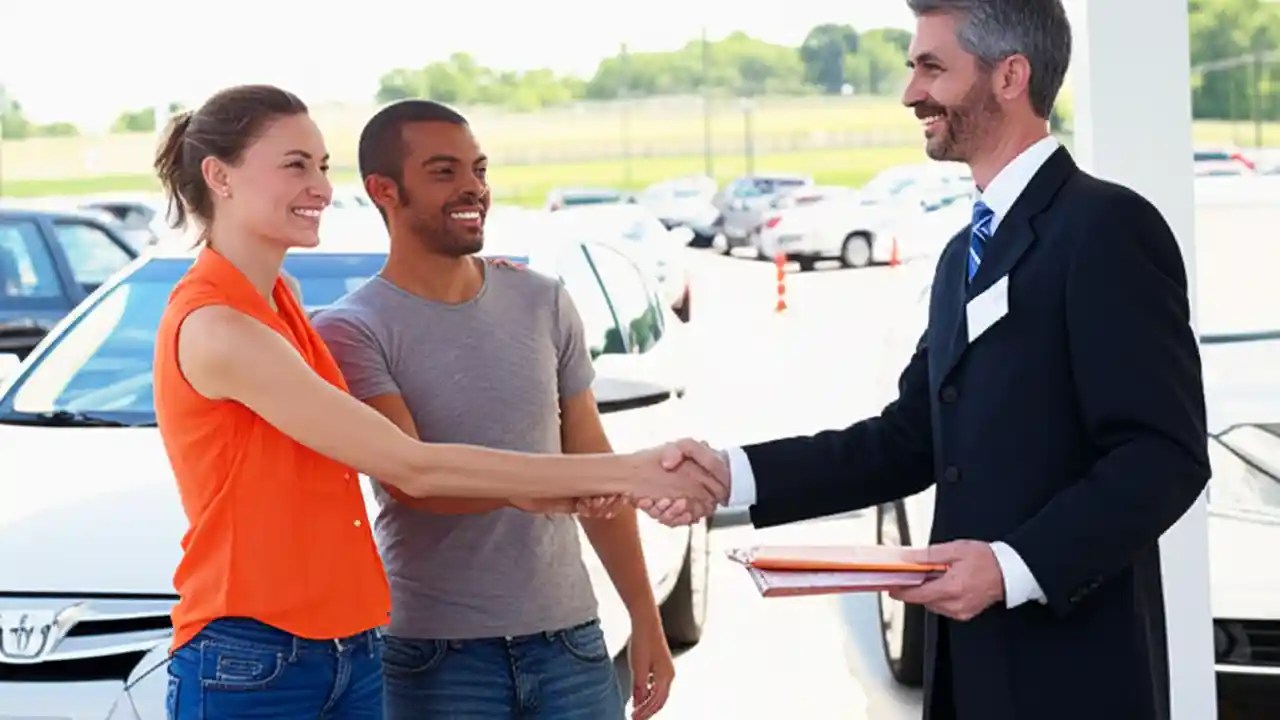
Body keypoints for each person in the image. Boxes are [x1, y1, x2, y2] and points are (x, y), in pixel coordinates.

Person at [654, 2, 1210, 719]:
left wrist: (1012, 568)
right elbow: (910, 440)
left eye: (931, 67)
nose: (910, 92)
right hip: (968, 672)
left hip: (1075, 678)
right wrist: (732, 473)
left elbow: (1162, 455)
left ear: (1011, 75)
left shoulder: (1105, 228)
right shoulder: (959, 259)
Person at [151, 84, 718, 720]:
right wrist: (630, 472)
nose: (322, 188)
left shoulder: (282, 309)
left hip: (348, 646)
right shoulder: (219, 327)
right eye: (295, 165)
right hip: (254, 653)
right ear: (218, 177)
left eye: (322, 166)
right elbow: (412, 466)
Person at [311, 99, 673, 720]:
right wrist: (533, 488)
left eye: (478, 169)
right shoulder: (352, 330)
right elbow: (413, 481)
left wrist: (645, 617)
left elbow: (593, 462)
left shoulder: (543, 301)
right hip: (435, 657)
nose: (473, 187)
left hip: (571, 642)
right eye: (444, 172)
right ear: (384, 190)